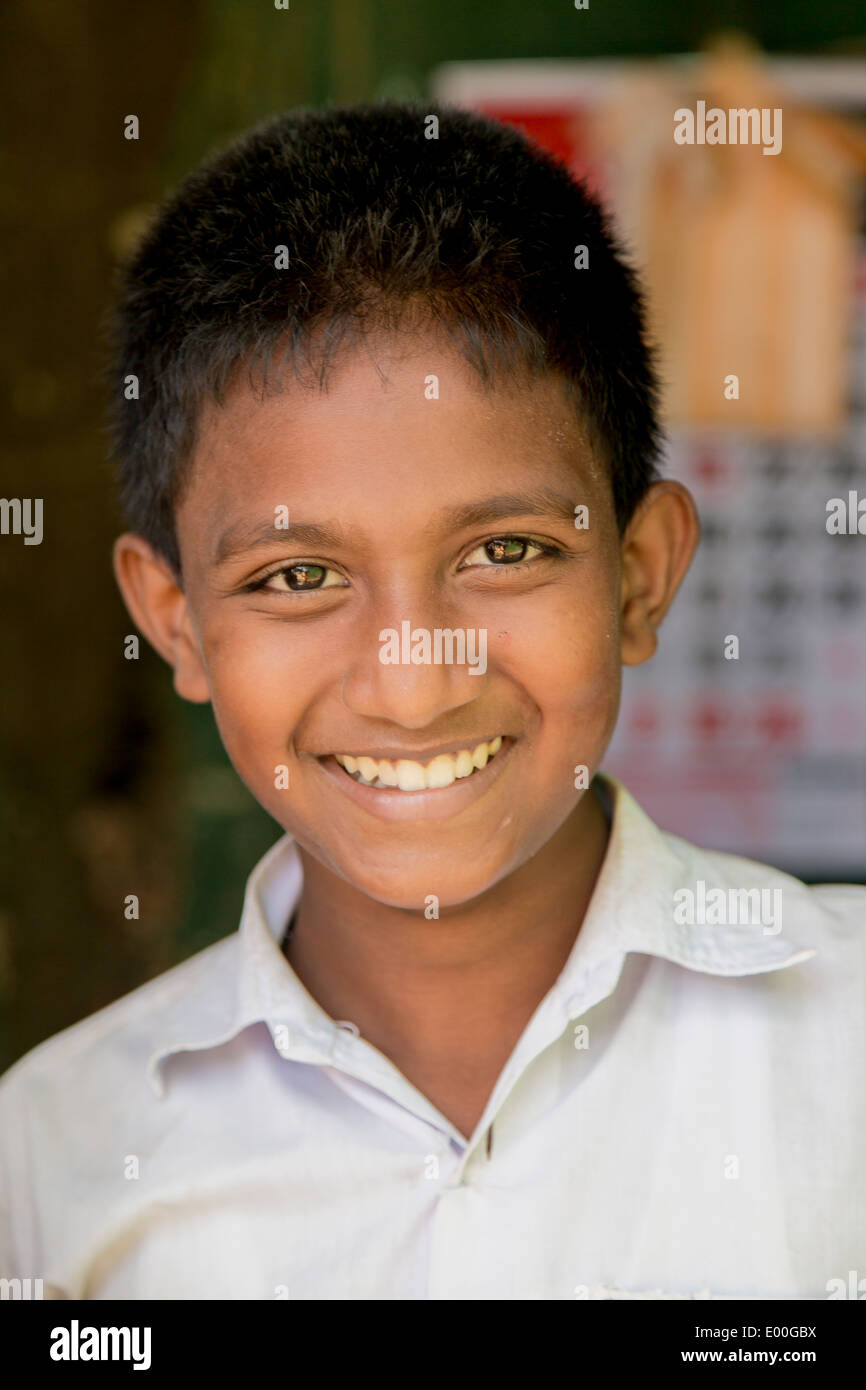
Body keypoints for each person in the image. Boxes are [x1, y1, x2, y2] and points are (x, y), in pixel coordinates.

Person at [0, 102, 862, 1300]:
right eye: (295, 577)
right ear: (175, 621)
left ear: (639, 574)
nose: (410, 682)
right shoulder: (48, 1171)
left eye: (502, 552)